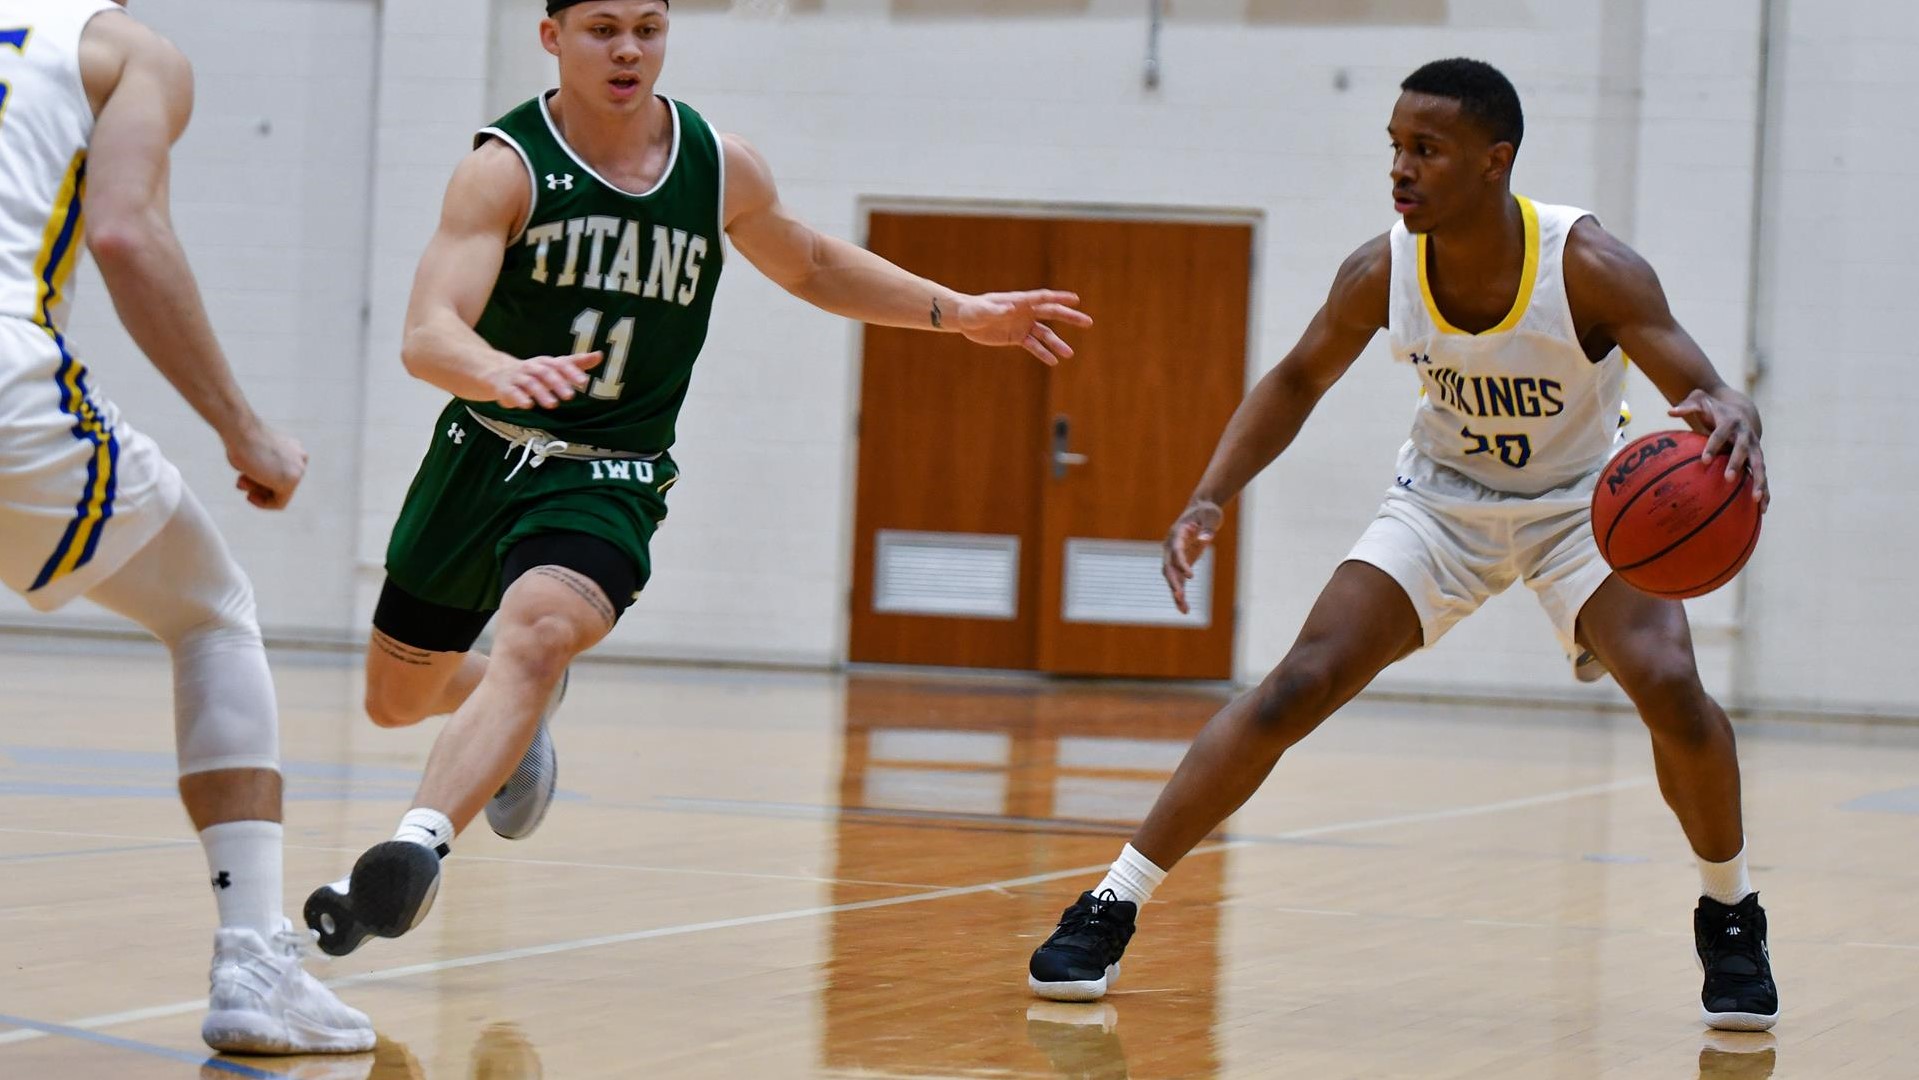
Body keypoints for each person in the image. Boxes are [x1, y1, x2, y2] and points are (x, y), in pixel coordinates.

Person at [301, 0, 1090, 956]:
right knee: (394, 697)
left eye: (647, 26)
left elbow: (806, 264)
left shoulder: (719, 164)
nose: (628, 48)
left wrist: (955, 312)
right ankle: (514, 720)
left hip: (609, 473)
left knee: (540, 632)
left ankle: (414, 847)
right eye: (601, 28)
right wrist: (493, 370)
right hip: (479, 454)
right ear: (551, 38)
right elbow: (429, 332)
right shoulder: (504, 169)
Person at [1024, 58, 1779, 1034]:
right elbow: (1295, 379)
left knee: (1671, 686)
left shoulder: (1586, 265)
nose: (1399, 168)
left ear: (1492, 161)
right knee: (1298, 680)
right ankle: (1113, 900)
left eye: (1425, 149)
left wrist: (1728, 405)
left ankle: (1728, 912)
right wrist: (1207, 496)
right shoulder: (1380, 269)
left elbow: (1702, 385)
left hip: (1575, 507)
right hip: (1441, 502)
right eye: (1393, 146)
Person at [0, 0, 372, 1055]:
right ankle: (254, 961)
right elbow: (123, 229)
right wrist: (245, 430)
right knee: (212, 612)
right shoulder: (124, 48)